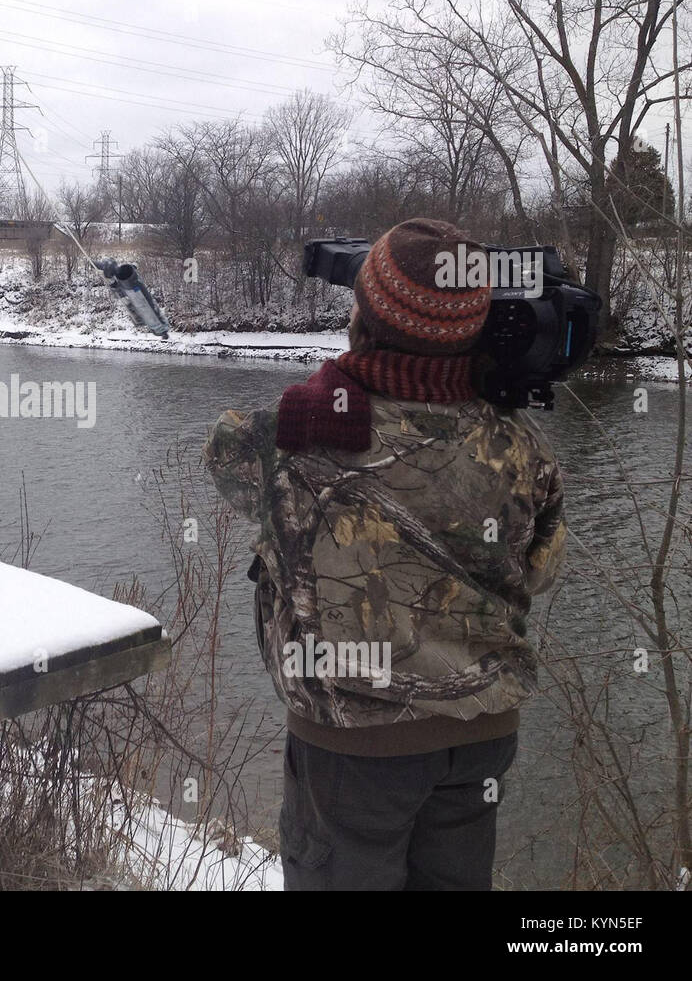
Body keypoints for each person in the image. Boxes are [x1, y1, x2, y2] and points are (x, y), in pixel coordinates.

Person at [203, 217, 567, 890]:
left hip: (354, 746)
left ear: (363, 317)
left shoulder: (297, 435)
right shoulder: (524, 451)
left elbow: (220, 450)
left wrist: (339, 377)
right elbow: (541, 568)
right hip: (480, 735)